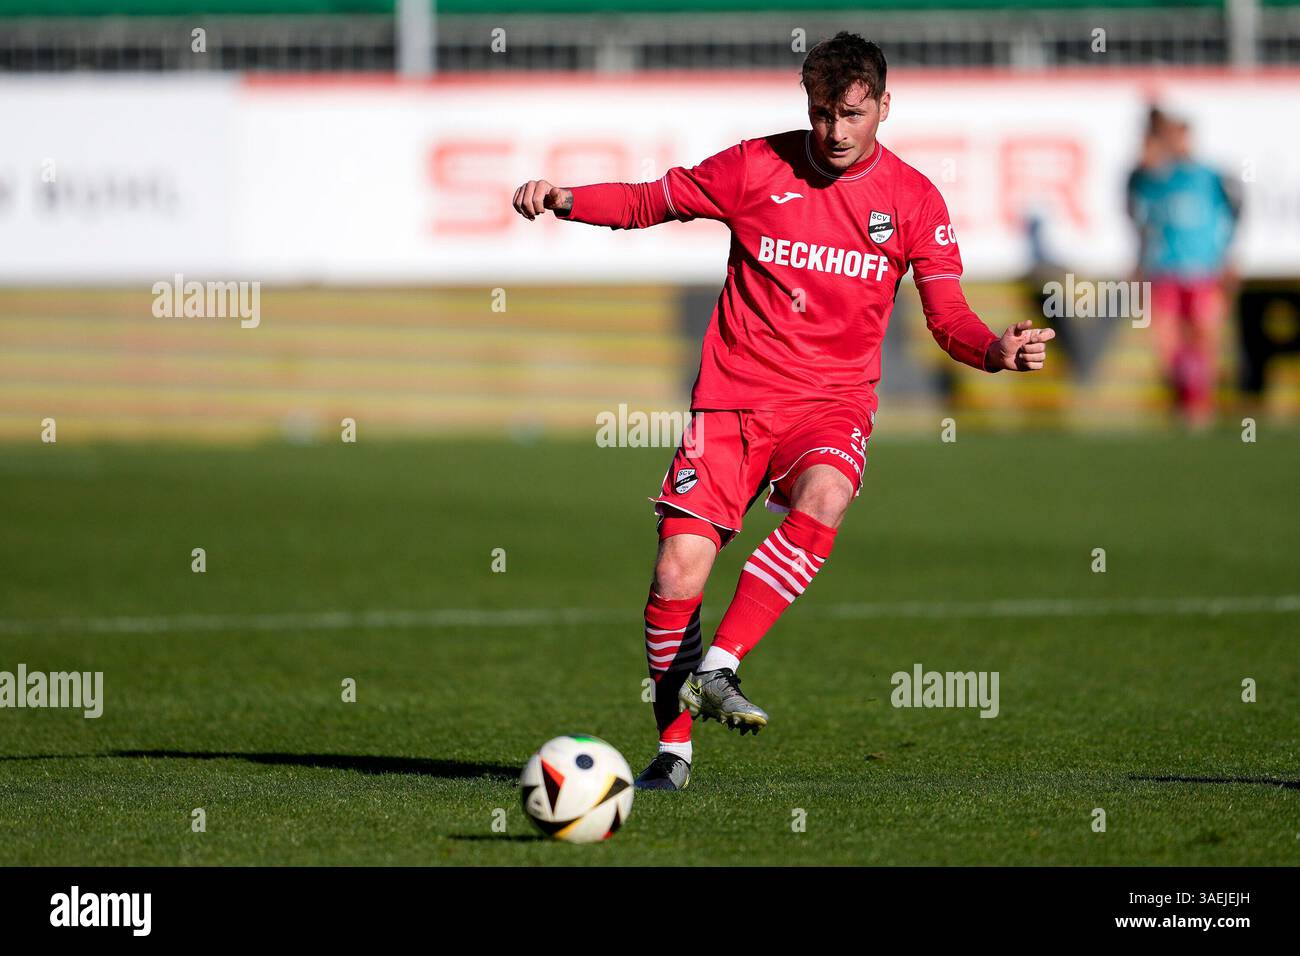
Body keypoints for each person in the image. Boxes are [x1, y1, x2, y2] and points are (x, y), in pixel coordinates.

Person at [511, 32, 1055, 791]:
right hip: (732, 401)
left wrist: (996, 350)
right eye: (823, 113)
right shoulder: (755, 167)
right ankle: (674, 753)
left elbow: (947, 317)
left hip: (830, 406)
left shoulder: (914, 199)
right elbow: (648, 202)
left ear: (884, 108)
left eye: (852, 115)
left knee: (826, 495)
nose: (835, 131)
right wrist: (566, 199)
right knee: (678, 571)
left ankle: (723, 663)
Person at [1127, 107, 1242, 427]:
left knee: (1204, 338)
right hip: (1164, 271)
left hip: (1203, 271)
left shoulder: (1210, 176)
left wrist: (1229, 258)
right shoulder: (1152, 179)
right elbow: (1140, 220)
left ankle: (1200, 406)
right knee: (1167, 343)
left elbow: (1233, 215)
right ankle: (1182, 401)